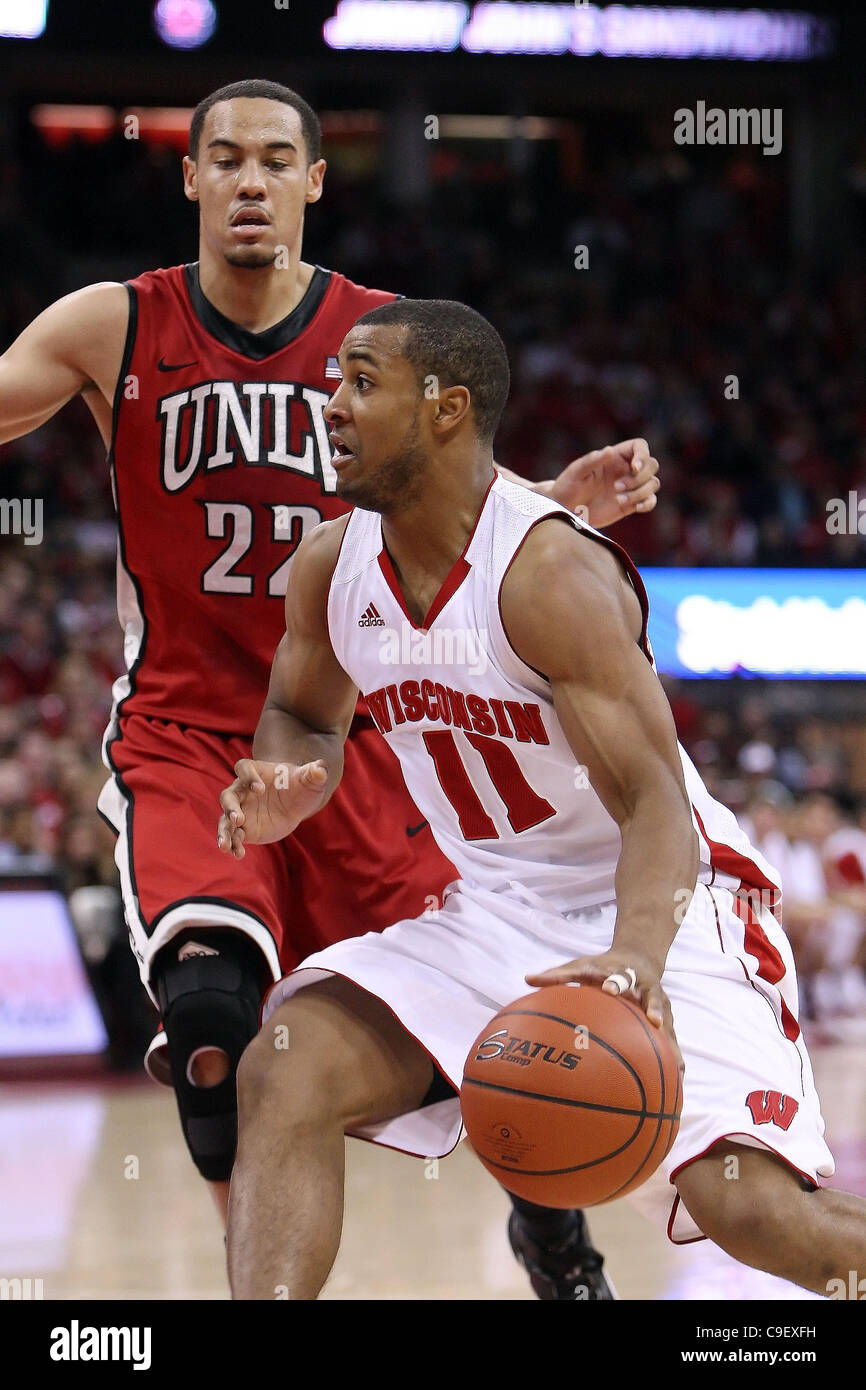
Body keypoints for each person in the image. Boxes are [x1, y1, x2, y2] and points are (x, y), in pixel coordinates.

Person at [0, 79, 659, 1297]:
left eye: (275, 160)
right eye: (225, 160)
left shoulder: (385, 338)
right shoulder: (117, 324)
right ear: (189, 179)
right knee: (210, 1023)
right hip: (195, 739)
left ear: (314, 181)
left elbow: (466, 515)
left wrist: (554, 503)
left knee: (503, 1010)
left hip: (362, 743)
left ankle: (553, 1237)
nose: (249, 181)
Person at [218, 299, 866, 1301]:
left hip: (665, 909)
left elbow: (656, 806)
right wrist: (286, 779)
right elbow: (301, 714)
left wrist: (633, 959)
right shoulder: (327, 566)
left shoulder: (550, 572)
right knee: (285, 1067)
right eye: (332, 382)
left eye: (360, 383)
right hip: (492, 912)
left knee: (752, 1209)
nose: (330, 407)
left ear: (445, 409)